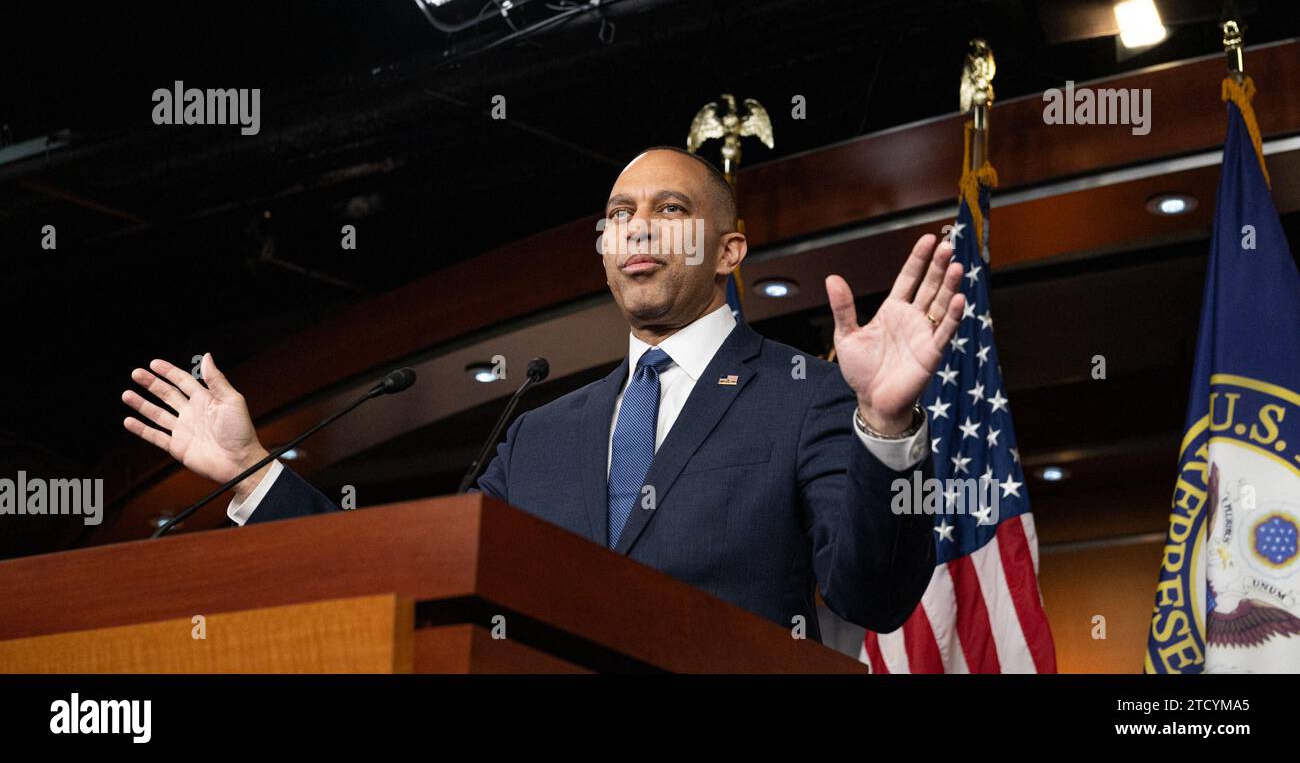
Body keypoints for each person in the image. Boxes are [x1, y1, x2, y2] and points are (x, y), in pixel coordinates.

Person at [123, 147, 965, 640]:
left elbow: (874, 598)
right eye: (617, 213)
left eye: (669, 209)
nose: (636, 226)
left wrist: (886, 426)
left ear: (728, 251)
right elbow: (412, 582)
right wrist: (253, 471)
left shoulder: (804, 397)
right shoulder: (540, 434)